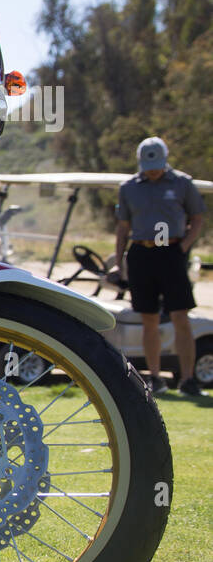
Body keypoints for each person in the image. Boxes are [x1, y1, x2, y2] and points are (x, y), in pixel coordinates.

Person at [114, 136, 206, 395]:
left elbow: (197, 218)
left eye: (157, 164)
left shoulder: (182, 184)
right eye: (147, 165)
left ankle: (188, 380)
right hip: (141, 254)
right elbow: (122, 227)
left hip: (172, 253)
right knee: (149, 319)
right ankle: (154, 378)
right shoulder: (129, 187)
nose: (153, 170)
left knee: (180, 317)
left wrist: (184, 247)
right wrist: (118, 261)